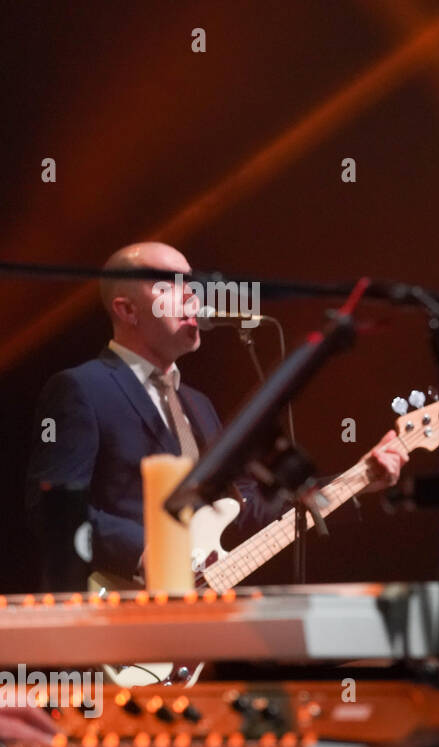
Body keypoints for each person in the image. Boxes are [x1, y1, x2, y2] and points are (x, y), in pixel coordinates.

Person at [25, 241, 408, 589]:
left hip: (198, 615)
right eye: (171, 284)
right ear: (127, 309)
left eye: (192, 283)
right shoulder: (81, 388)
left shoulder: (198, 405)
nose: (193, 294)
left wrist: (361, 478)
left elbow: (248, 508)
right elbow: (54, 509)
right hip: (121, 605)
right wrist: (146, 552)